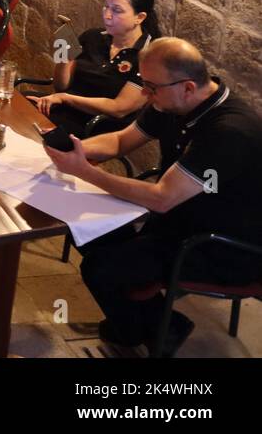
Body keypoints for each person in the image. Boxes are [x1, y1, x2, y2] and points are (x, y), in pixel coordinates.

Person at [44, 37, 262, 356]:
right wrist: (70, 150)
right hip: (179, 219)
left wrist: (86, 172)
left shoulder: (229, 131)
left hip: (221, 246)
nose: (145, 94)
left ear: (188, 86)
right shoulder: (171, 99)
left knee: (101, 268)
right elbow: (120, 141)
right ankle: (148, 322)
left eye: (151, 87)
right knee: (85, 227)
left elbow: (162, 198)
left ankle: (159, 329)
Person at [28, 0, 159, 136]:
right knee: (15, 105)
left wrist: (64, 98)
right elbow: (61, 86)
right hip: (65, 108)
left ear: (140, 17)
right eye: (106, 6)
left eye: (117, 10)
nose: (107, 15)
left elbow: (119, 109)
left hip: (95, 125)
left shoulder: (148, 57)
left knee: (32, 132)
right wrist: (63, 53)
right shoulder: (92, 36)